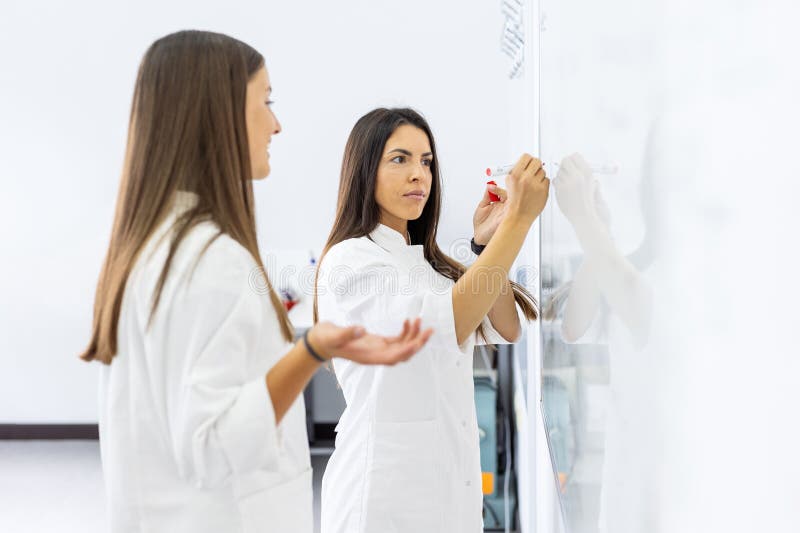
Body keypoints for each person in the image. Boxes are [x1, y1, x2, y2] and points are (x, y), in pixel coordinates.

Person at [79, 31, 432, 533]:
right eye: (265, 101)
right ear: (218, 114)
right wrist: (311, 350)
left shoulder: (156, 246)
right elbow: (213, 446)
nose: (276, 124)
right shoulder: (209, 261)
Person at [314, 107, 549, 532]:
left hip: (444, 496)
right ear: (364, 171)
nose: (418, 175)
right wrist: (519, 218)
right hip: (383, 502)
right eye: (399, 159)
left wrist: (487, 244)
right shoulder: (351, 259)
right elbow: (449, 323)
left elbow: (506, 326)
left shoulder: (423, 266)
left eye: (426, 162)